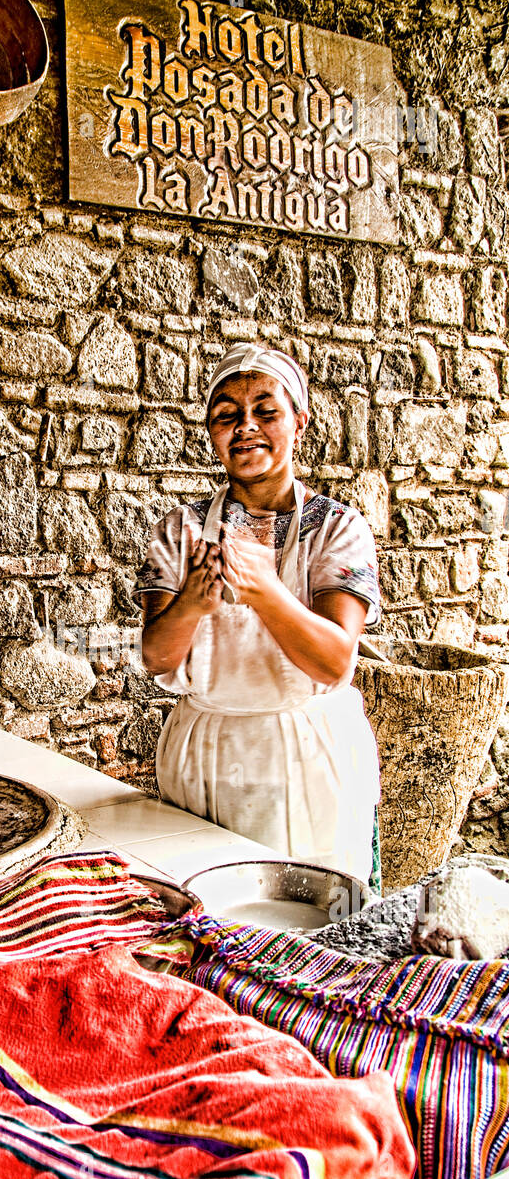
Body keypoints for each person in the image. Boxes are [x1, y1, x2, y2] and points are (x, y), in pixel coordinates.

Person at [135, 343, 382, 888]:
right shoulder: (181, 531)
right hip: (205, 747)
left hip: (307, 753)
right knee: (206, 916)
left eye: (265, 411)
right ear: (211, 431)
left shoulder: (338, 529)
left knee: (304, 923)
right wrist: (194, 603)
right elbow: (157, 657)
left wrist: (266, 591)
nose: (245, 427)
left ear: (299, 420)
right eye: (226, 415)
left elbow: (334, 662)